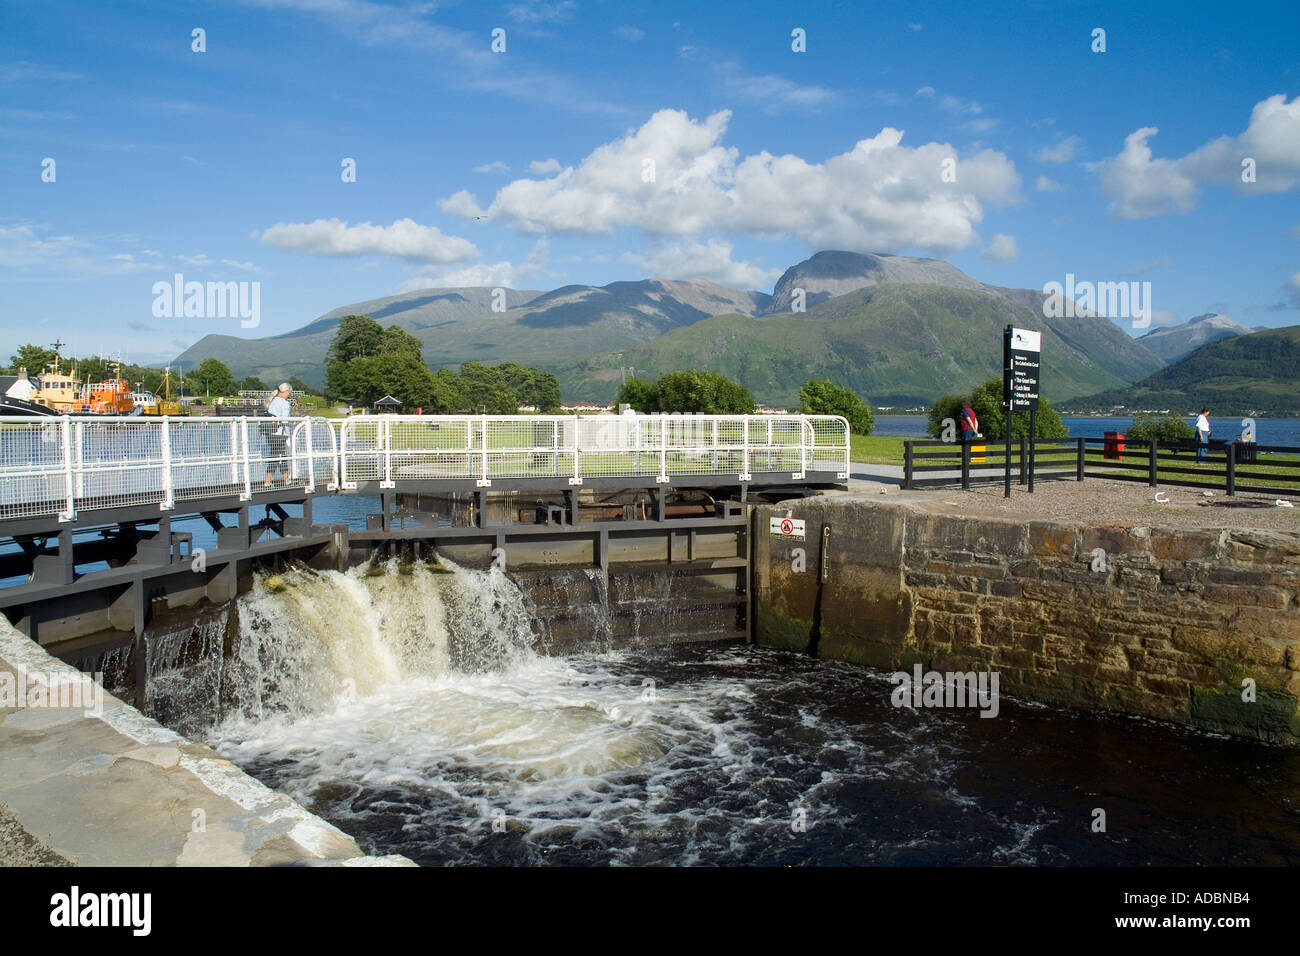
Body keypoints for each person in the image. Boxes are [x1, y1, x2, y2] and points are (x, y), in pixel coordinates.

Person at [264, 383, 293, 486]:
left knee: (279, 455)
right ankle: (268, 481)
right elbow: (285, 420)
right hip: (280, 432)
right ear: (286, 392)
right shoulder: (284, 403)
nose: (289, 395)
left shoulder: (272, 401)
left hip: (270, 432)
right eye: (289, 393)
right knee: (277, 456)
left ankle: (286, 479)